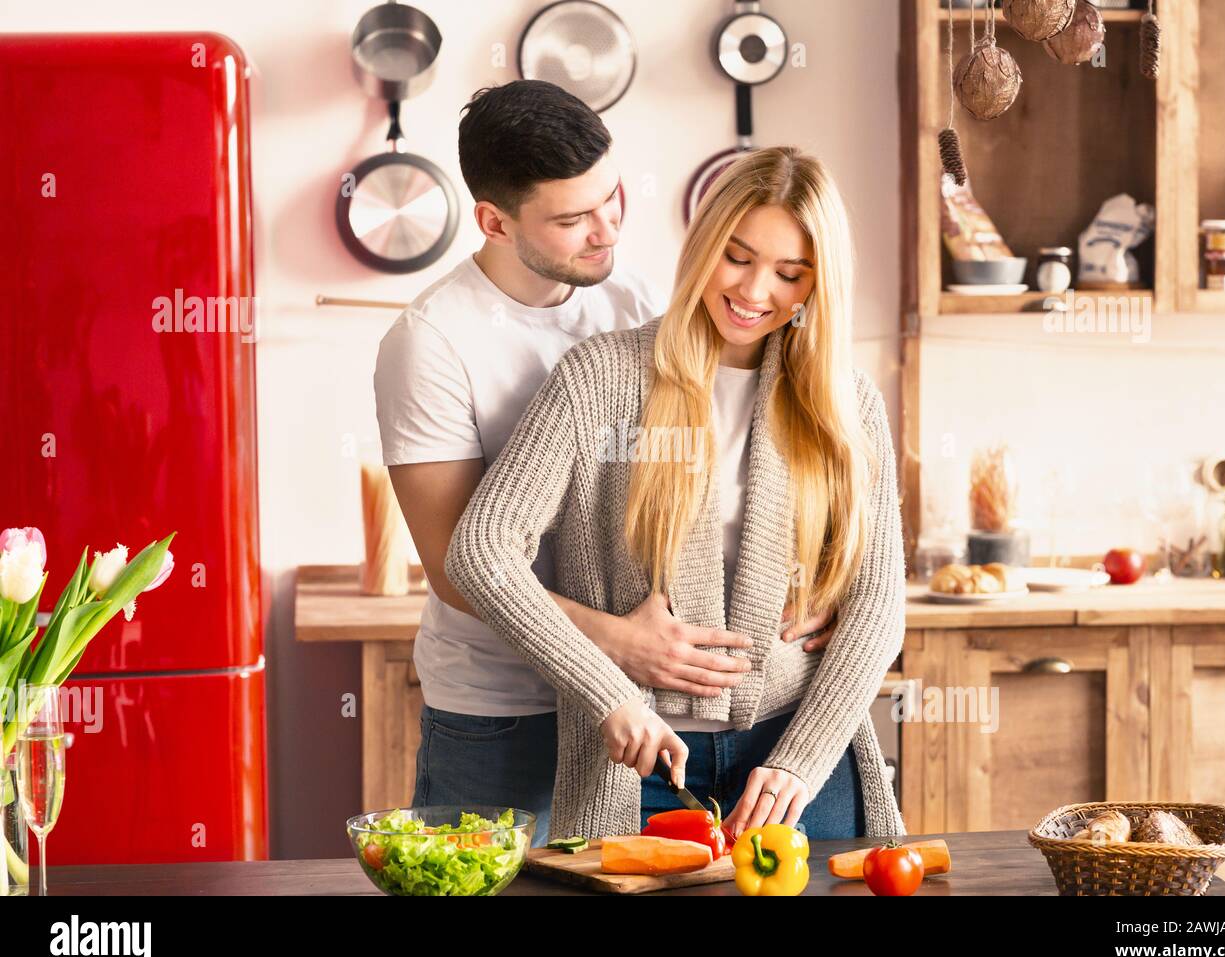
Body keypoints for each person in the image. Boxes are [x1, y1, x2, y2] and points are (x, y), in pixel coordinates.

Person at [374, 82, 834, 845]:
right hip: (505, 710)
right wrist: (616, 641)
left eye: (611, 196)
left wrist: (820, 581)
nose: (607, 228)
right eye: (572, 218)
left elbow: (706, 484)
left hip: (636, 703)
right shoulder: (430, 343)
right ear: (493, 220)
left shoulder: (631, 299)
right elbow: (460, 568)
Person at [445, 146, 907, 841]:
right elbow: (481, 552)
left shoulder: (846, 402)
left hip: (796, 758)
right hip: (638, 766)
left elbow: (878, 601)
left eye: (789, 273)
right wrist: (605, 693)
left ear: (817, 284)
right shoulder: (598, 377)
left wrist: (801, 764)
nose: (755, 291)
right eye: (738, 256)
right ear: (704, 243)